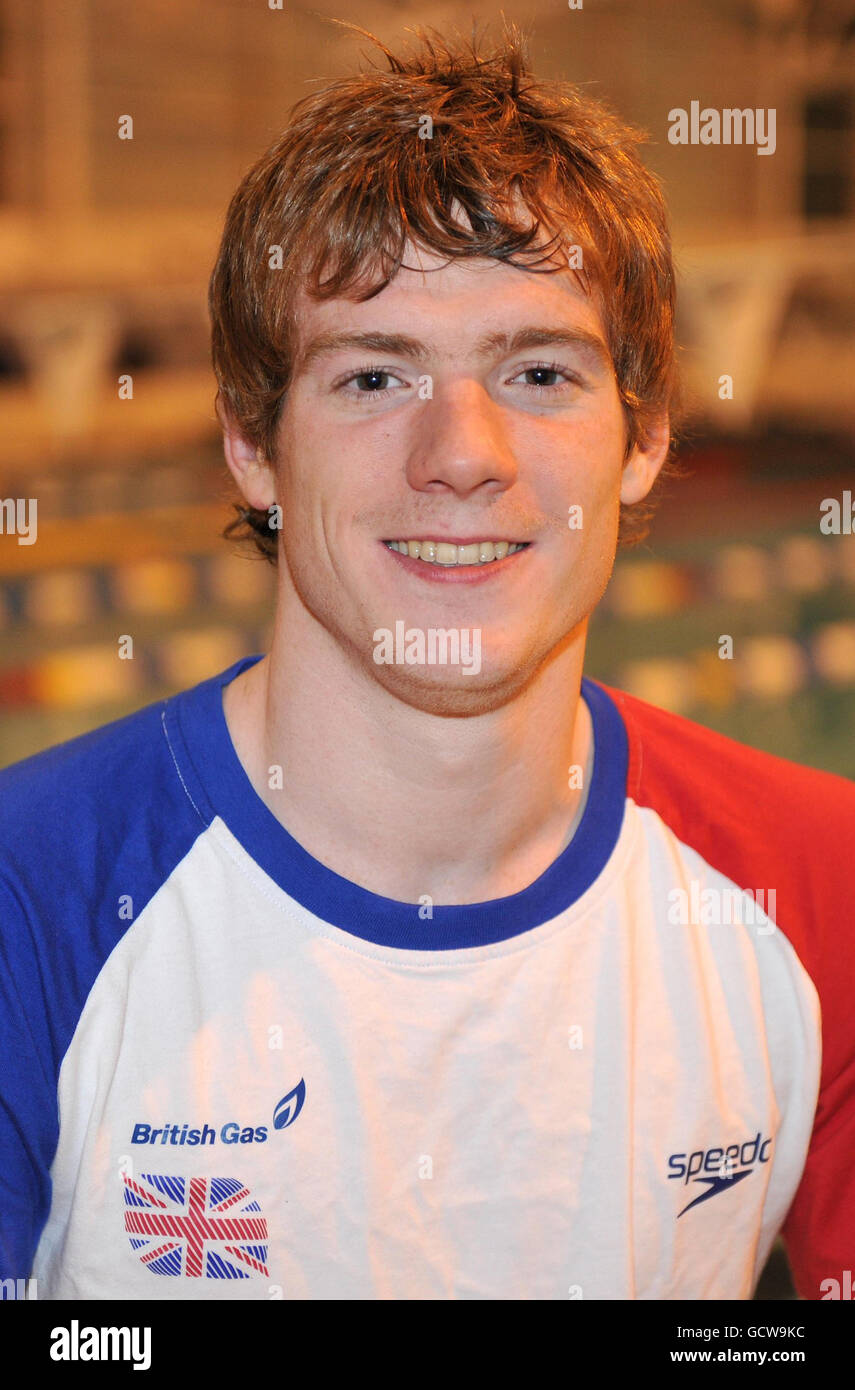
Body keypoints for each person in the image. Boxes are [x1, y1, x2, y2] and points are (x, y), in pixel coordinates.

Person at [1, 26, 853, 1302]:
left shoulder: (817, 885)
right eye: (375, 374)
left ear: (647, 436)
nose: (462, 453)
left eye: (541, 370)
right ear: (251, 443)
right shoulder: (35, 903)